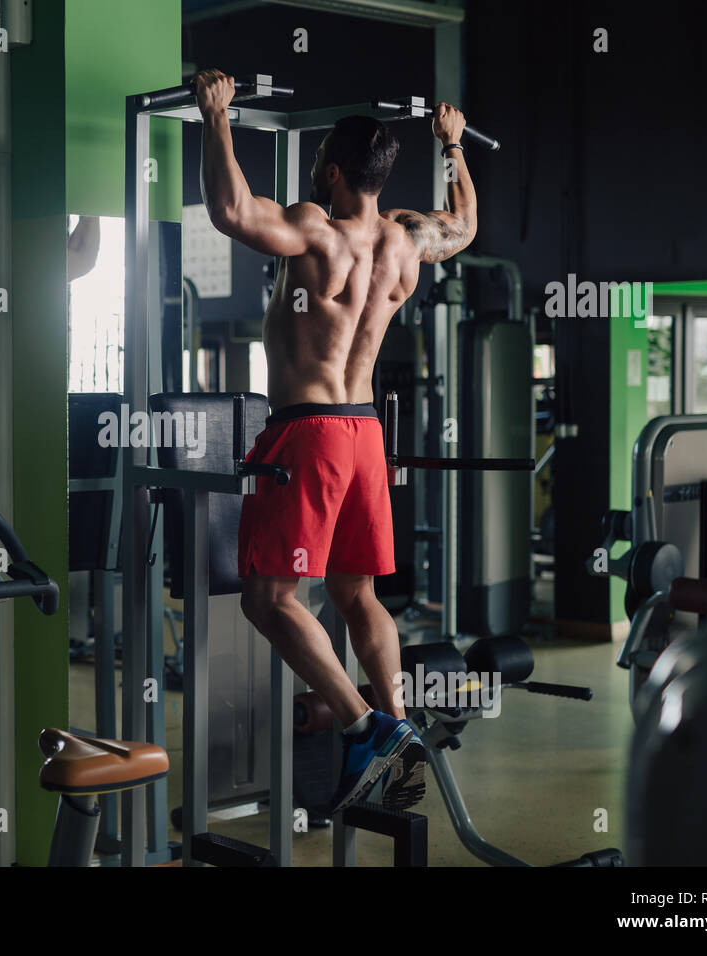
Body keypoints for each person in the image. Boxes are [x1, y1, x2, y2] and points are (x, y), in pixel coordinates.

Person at [194, 68, 477, 812]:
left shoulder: (315, 230)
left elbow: (229, 210)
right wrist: (452, 146)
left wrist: (216, 116)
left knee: (268, 599)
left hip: (308, 432)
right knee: (357, 592)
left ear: (329, 172)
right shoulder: (407, 240)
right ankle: (399, 730)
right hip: (364, 434)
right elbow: (466, 225)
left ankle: (361, 727)